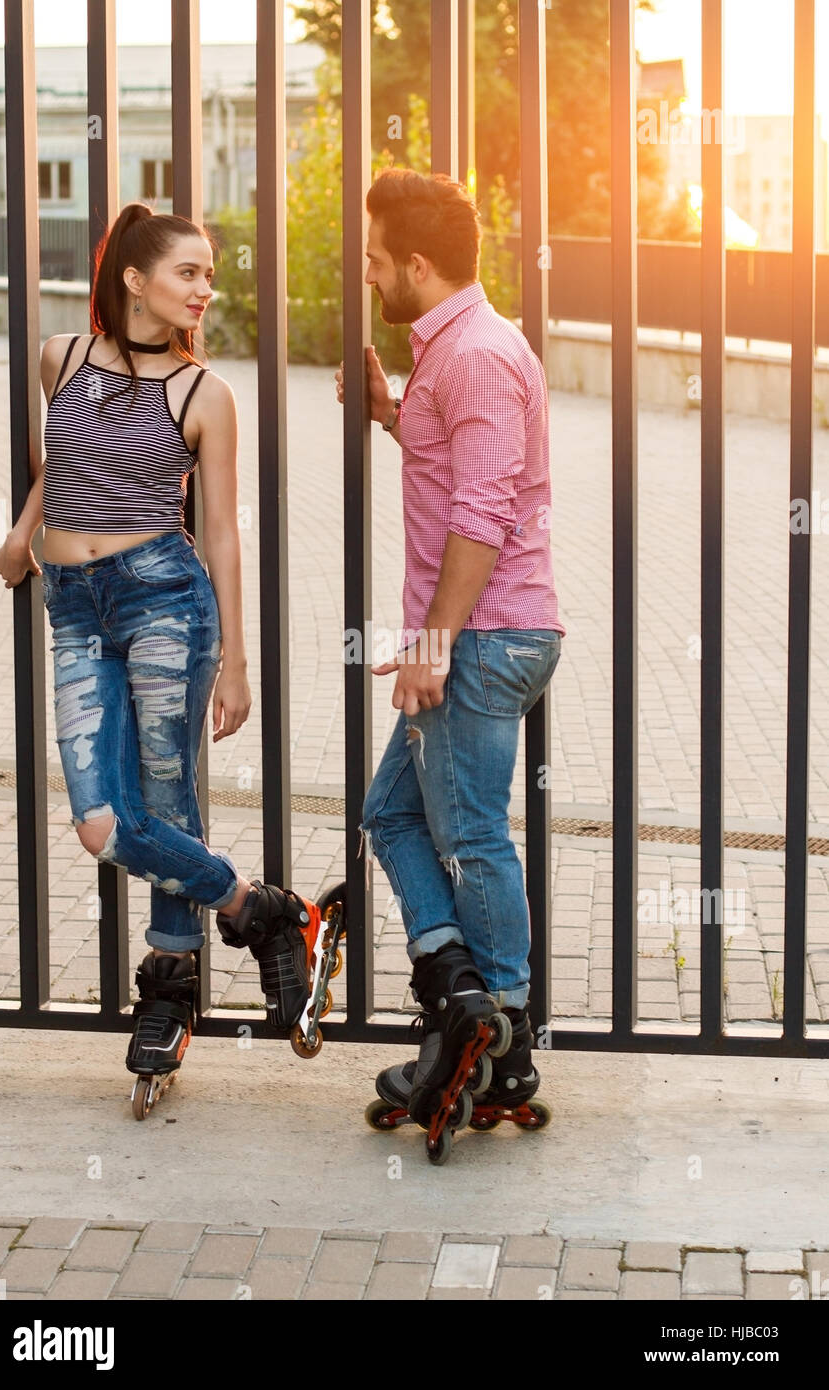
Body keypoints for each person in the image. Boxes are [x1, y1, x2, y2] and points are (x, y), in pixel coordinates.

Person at [0, 202, 315, 1085]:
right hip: (75, 605)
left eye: (210, 275)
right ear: (133, 280)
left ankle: (168, 990)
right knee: (101, 820)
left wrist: (238, 661)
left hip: (165, 601)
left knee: (166, 804)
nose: (205, 289)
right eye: (189, 273)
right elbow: (62, 463)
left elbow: (221, 534)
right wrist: (25, 534)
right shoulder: (61, 357)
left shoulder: (205, 394)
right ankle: (261, 910)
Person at [335, 168, 566, 1127]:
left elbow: (482, 516)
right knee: (391, 815)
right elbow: (460, 472)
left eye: (379, 260)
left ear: (419, 264)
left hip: (482, 635)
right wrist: (394, 413)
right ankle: (466, 1004)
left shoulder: (473, 355)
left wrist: (431, 645)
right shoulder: (457, 349)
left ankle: (497, 1041)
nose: (371, 275)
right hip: (481, 633)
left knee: (471, 838)